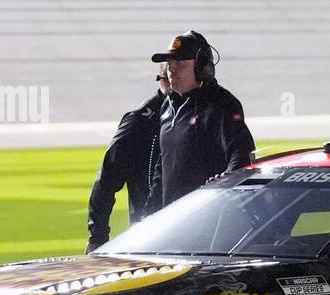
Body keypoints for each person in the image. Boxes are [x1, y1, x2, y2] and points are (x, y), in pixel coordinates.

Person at [150, 30, 255, 206]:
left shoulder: (221, 104)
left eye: (181, 64)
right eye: (170, 64)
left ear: (202, 69)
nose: (172, 70)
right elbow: (161, 170)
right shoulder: (168, 106)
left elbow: (241, 154)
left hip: (208, 219)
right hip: (173, 219)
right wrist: (148, 214)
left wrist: (223, 196)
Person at [86, 64, 169, 253]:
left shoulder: (202, 113)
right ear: (163, 79)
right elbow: (107, 180)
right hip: (151, 237)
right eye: (167, 75)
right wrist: (97, 238)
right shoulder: (140, 121)